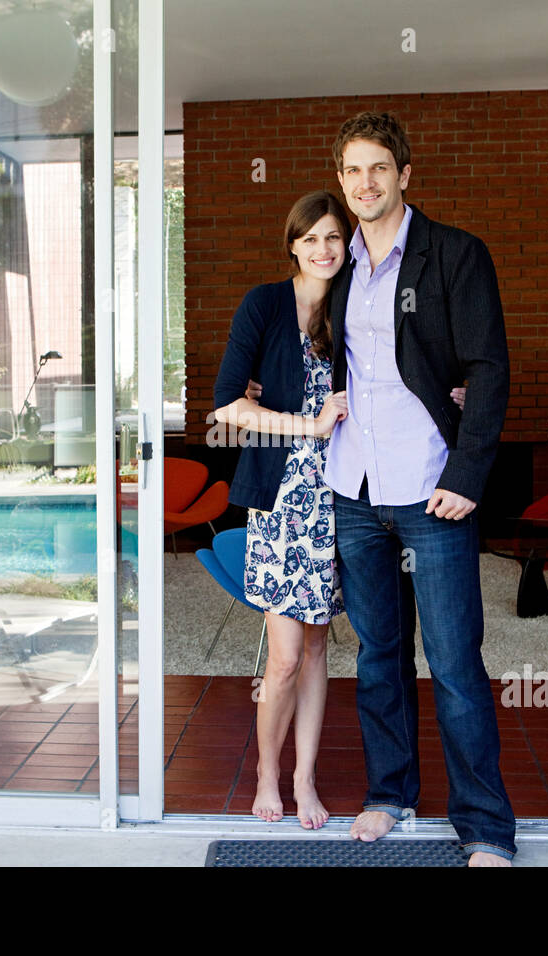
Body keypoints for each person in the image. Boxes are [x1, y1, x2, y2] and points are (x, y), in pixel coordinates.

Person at [323, 111, 517, 866]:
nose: (364, 183)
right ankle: (390, 792)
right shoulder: (338, 268)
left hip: (433, 490)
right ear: (341, 183)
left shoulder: (455, 255)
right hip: (353, 488)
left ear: (404, 174)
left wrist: (468, 476)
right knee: (377, 656)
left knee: (455, 661)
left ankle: (485, 827)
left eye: (378, 168)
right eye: (351, 171)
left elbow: (489, 369)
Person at [212, 190, 353, 829]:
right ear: (293, 244)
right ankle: (267, 771)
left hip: (344, 500)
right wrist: (310, 426)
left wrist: (448, 389)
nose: (324, 250)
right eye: (312, 238)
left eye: (334, 238)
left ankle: (304, 779)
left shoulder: (356, 306)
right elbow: (227, 407)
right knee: (286, 655)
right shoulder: (264, 304)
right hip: (280, 501)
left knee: (322, 648)